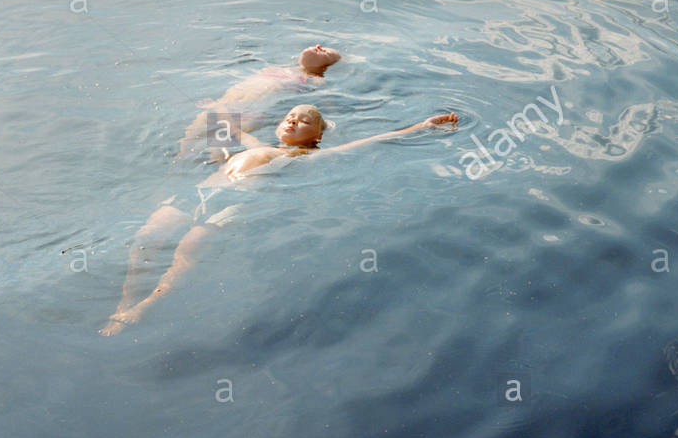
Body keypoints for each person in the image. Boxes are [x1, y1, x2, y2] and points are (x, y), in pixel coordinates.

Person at [99, 104, 458, 337]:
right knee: (148, 235)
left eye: (304, 120)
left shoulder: (307, 156)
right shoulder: (256, 144)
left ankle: (144, 307)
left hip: (231, 203)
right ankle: (123, 303)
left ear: (316, 136)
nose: (293, 119)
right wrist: (216, 112)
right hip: (199, 193)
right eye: (290, 115)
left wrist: (419, 127)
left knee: (189, 251)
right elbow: (228, 126)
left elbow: (367, 142)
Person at [176, 45, 342, 160]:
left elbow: (328, 103)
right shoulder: (281, 67)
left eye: (326, 52)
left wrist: (330, 129)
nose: (319, 47)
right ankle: (178, 164)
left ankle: (217, 169)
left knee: (218, 150)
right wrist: (218, 104)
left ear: (325, 67)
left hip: (247, 115)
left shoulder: (314, 79)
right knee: (188, 140)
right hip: (221, 105)